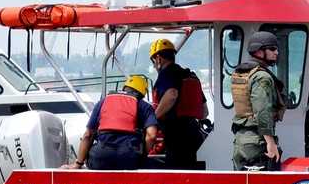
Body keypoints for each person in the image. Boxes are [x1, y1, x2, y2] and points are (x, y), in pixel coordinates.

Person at [67, 75, 159, 170]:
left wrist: (78, 163)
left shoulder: (103, 102)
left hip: (101, 157)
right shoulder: (145, 106)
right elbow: (151, 135)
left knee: (92, 157)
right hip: (129, 158)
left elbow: (88, 135)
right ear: (142, 93)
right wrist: (142, 157)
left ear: (124, 87)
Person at [149, 39, 209, 169]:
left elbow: (172, 94)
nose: (154, 66)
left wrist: (152, 119)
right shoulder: (190, 75)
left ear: (158, 59)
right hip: (195, 135)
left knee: (176, 177)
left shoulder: (166, 74)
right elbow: (204, 112)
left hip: (176, 138)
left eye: (153, 62)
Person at [231, 31, 287, 170]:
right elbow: (262, 111)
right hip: (258, 143)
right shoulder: (262, 77)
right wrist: (271, 143)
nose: (276, 53)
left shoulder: (240, 73)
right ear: (259, 51)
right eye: (272, 49)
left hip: (241, 141)